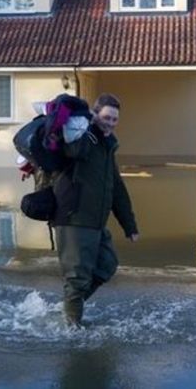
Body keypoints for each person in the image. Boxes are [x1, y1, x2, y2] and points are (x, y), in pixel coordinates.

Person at [52, 93, 139, 326]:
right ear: (95, 114)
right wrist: (87, 125)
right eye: (106, 118)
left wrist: (129, 225)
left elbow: (116, 188)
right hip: (74, 218)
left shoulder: (106, 146)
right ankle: (71, 332)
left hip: (96, 221)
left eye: (114, 119)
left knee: (107, 264)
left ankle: (69, 310)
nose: (110, 123)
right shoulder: (82, 137)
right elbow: (73, 152)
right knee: (77, 278)